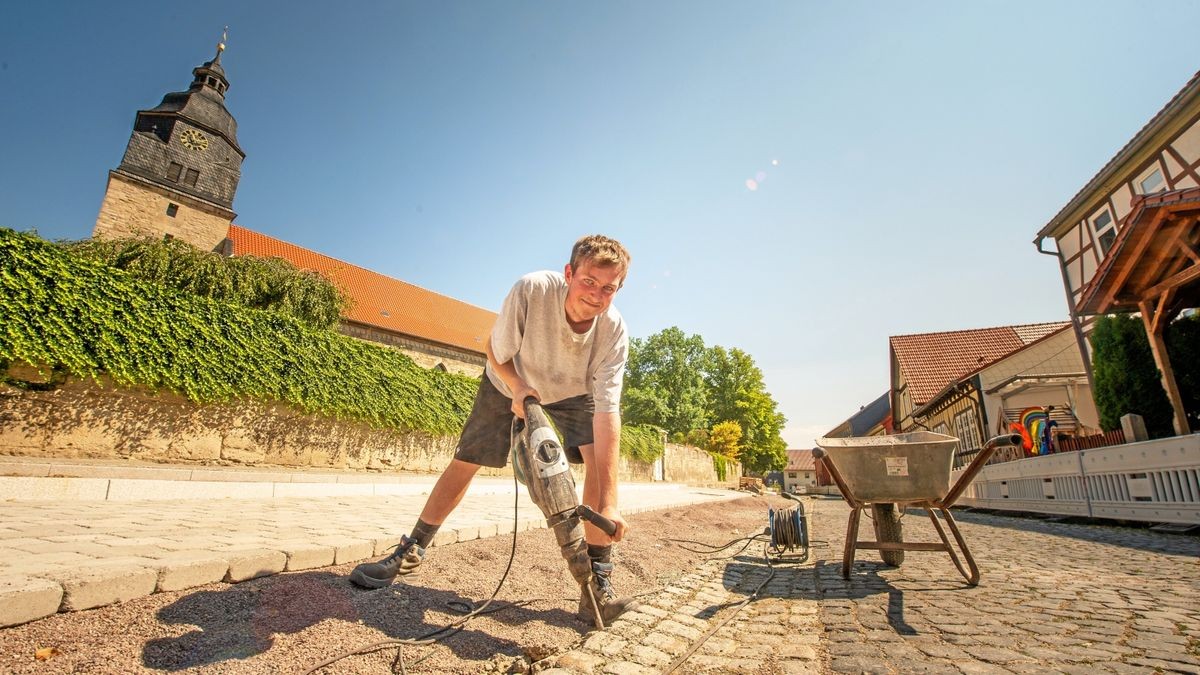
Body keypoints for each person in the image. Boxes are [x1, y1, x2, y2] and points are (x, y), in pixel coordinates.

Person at [350, 234, 639, 624]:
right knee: (467, 460)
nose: (596, 294)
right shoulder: (532, 289)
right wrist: (519, 388)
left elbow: (607, 414)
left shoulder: (614, 331)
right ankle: (411, 548)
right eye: (589, 281)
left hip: (574, 389)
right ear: (569, 273)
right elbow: (495, 351)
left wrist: (609, 505)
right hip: (510, 377)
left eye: (609, 288)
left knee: (596, 465)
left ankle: (596, 589)